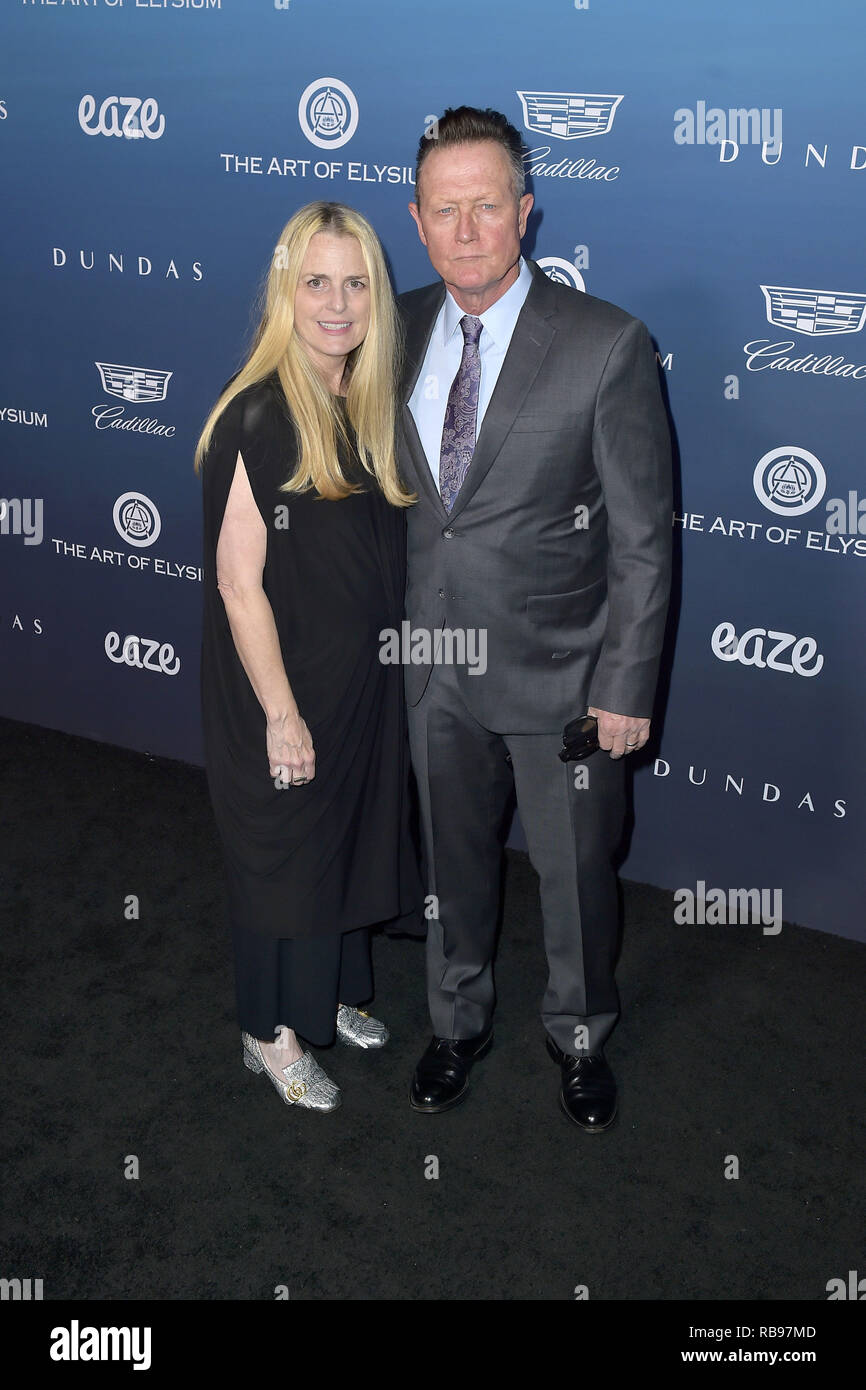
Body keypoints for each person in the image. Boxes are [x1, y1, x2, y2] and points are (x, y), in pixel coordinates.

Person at [398, 107, 672, 1130]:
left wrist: (623, 686)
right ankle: (455, 1020)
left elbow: (643, 538)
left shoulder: (605, 345)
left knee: (574, 882)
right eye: (442, 209)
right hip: (431, 671)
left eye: (484, 206)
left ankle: (580, 1036)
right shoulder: (394, 326)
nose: (464, 229)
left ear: (525, 211)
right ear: (416, 219)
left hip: (563, 682)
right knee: (450, 872)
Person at [195, 200, 421, 1114]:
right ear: (286, 294)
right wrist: (281, 715)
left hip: (361, 682)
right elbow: (238, 584)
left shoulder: (363, 404)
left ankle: (324, 995)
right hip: (281, 688)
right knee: (284, 859)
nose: (336, 303)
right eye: (315, 282)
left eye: (355, 283)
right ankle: (269, 1034)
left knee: (345, 840)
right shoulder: (255, 414)